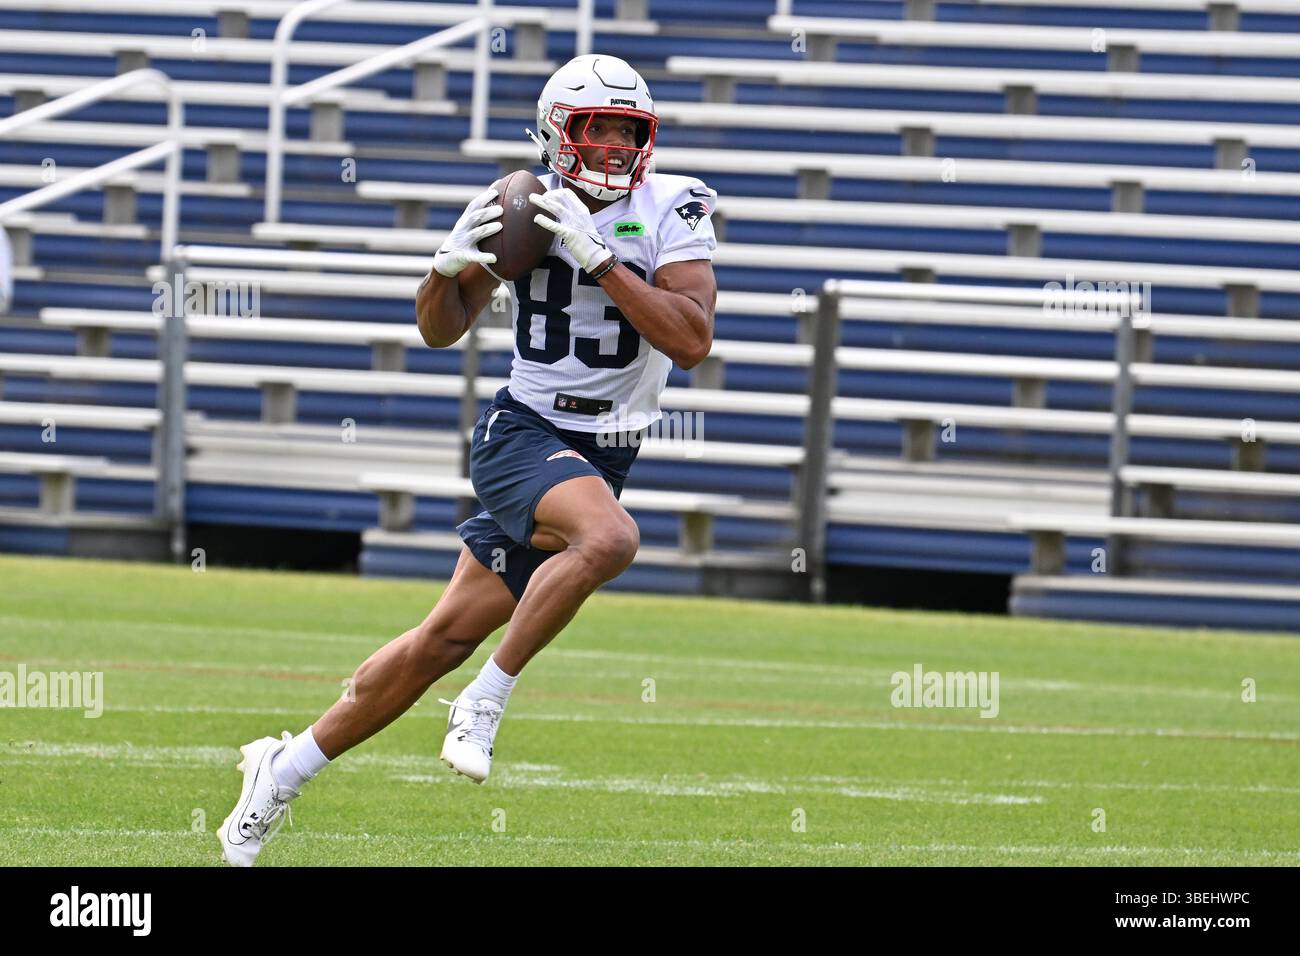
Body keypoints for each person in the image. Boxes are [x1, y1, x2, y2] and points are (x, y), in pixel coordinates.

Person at [219, 53, 717, 867]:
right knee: (611, 541)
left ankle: (286, 765)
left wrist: (603, 262)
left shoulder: (671, 207)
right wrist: (443, 267)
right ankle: (486, 701)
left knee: (438, 640)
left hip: (607, 450)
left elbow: (690, 340)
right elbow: (439, 328)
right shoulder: (523, 204)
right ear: (561, 133)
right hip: (522, 433)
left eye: (632, 130)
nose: (620, 147)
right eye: (602, 129)